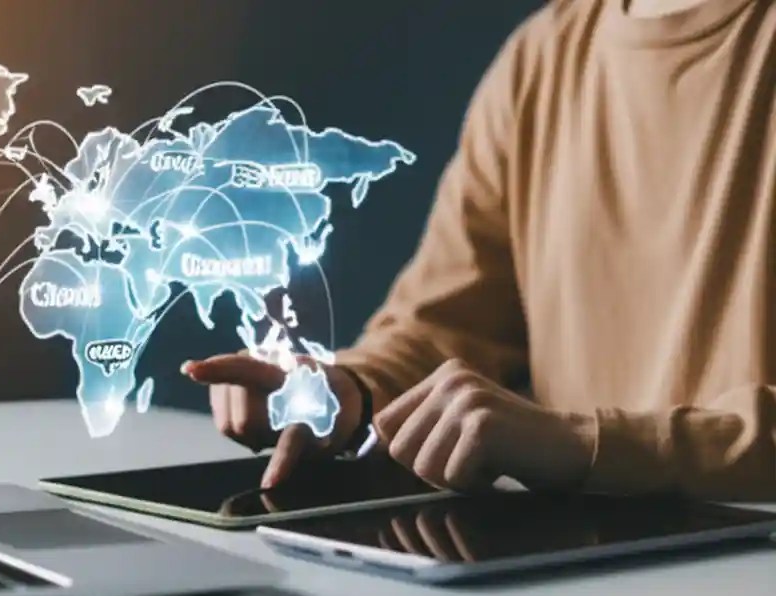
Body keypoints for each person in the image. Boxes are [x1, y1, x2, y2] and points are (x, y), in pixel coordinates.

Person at [184, 0, 776, 500]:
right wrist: (349, 392)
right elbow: (441, 329)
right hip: (580, 576)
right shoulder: (542, 59)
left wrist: (583, 445)